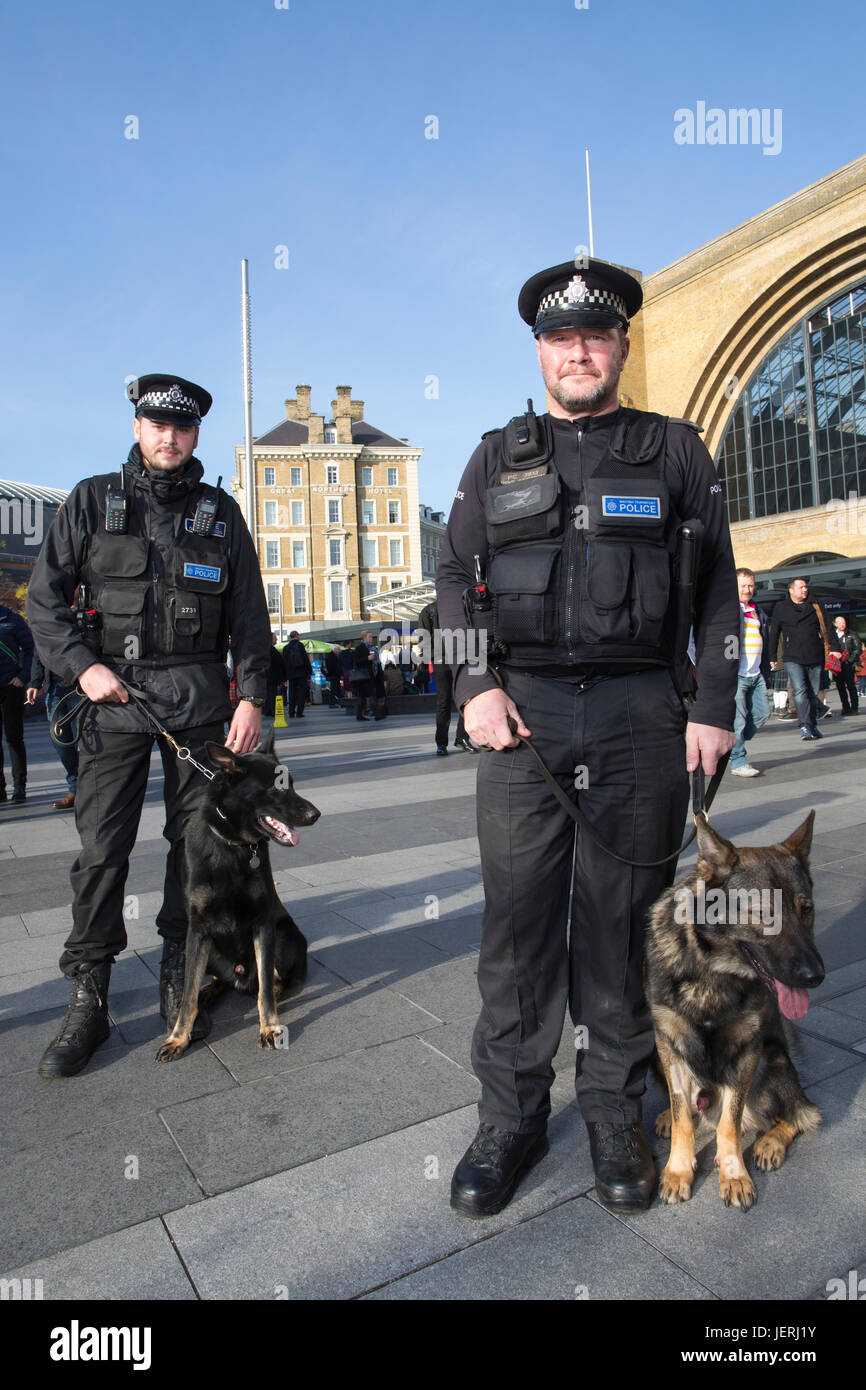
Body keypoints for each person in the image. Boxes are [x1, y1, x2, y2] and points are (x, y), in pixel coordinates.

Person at [435, 257, 738, 1216]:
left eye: (596, 337)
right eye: (563, 339)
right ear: (540, 350)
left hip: (641, 712)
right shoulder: (494, 457)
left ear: (620, 348)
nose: (579, 352)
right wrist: (475, 683)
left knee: (622, 921)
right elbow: (451, 581)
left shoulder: (675, 452)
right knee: (517, 923)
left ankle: (613, 1101)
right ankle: (513, 1116)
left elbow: (723, 592)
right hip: (520, 716)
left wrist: (716, 704)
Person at [26, 373, 271, 1077]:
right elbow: (44, 603)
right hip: (114, 702)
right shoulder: (91, 501)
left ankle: (179, 966)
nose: (170, 437)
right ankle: (90, 994)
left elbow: (250, 619)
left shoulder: (221, 513)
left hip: (199, 708)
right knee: (102, 851)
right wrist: (81, 666)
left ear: (196, 435)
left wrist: (252, 697)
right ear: (137, 426)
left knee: (193, 851)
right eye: (157, 424)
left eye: (183, 428)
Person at [768, 577, 829, 742]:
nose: (805, 590)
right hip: (793, 656)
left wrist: (834, 649)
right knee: (800, 690)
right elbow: (774, 633)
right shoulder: (781, 607)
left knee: (812, 692)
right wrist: (772, 655)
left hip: (815, 654)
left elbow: (827, 627)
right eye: (801, 587)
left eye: (806, 587)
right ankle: (805, 725)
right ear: (791, 590)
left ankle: (812, 724)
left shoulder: (815, 604)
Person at [417, 601, 476, 756]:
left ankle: (462, 738)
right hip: (442, 659)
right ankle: (442, 743)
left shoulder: (462, 606)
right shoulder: (429, 610)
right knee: (444, 701)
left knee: (466, 700)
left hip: (461, 658)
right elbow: (424, 636)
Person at [729, 568, 772, 777]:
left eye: (751, 585)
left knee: (763, 713)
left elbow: (766, 640)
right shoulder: (730, 610)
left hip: (756, 674)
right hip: (737, 674)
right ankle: (738, 760)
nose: (748, 589)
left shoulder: (758, 612)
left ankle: (731, 745)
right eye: (743, 586)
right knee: (739, 720)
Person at [26, 652, 79, 808]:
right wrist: (35, 683)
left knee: (86, 741)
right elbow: (38, 653)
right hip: (55, 690)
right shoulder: (45, 627)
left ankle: (87, 790)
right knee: (61, 744)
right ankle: (74, 789)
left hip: (79, 687)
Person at [0, 603, 34, 804]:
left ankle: (19, 787)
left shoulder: (12, 619)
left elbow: (31, 650)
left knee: (14, 738)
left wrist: (23, 676)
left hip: (11, 686)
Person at [828, 615, 861, 715]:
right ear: (835, 624)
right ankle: (845, 707)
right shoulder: (832, 635)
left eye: (843, 622)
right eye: (840, 623)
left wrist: (850, 660)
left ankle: (854, 707)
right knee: (840, 687)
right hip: (837, 665)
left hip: (848, 664)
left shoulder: (851, 634)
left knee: (851, 686)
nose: (842, 625)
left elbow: (857, 649)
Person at [282, 631, 312, 718]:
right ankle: (299, 712)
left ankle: (291, 712)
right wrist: (309, 672)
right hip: (301, 673)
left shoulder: (285, 648)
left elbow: (284, 663)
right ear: (296, 636)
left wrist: (285, 675)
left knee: (292, 692)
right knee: (301, 692)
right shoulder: (300, 645)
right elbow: (305, 659)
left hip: (291, 674)